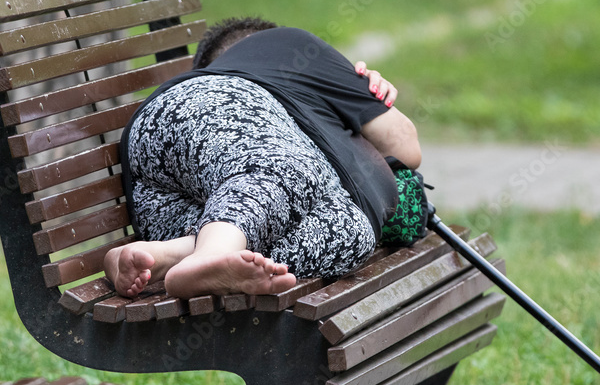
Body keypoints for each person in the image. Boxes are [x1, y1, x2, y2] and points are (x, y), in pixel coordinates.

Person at [103, 17, 422, 299]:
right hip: (195, 110)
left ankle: (178, 253)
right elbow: (405, 147)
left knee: (353, 233)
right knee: (295, 168)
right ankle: (209, 255)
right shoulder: (289, 43)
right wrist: (365, 91)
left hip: (165, 210)